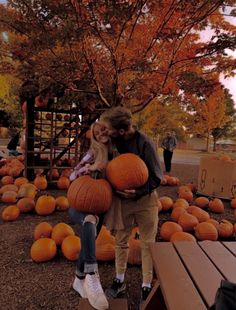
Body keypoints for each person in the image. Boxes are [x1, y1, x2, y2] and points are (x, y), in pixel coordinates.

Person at [100, 106, 163, 306]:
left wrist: (138, 191)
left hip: (145, 201)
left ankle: (146, 284)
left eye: (108, 129)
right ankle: (119, 280)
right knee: (121, 241)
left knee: (147, 243)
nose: (105, 132)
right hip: (122, 202)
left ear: (121, 130)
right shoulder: (110, 142)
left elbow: (157, 177)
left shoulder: (145, 144)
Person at [68, 121, 113, 310]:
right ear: (93, 137)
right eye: (96, 132)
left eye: (103, 128)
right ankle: (92, 275)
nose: (101, 132)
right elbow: (71, 177)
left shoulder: (117, 156)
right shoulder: (92, 154)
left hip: (101, 205)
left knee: (89, 240)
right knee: (88, 221)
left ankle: (79, 280)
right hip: (79, 203)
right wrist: (89, 169)